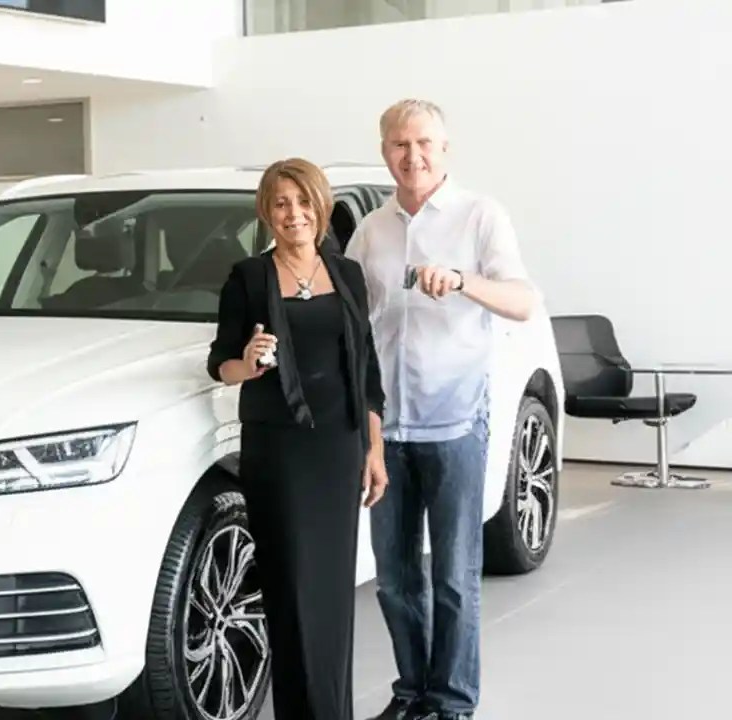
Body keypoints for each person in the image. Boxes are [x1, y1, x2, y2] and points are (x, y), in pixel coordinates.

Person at [346, 99, 537, 720]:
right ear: (385, 152)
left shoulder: (481, 216)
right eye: (400, 145)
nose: (413, 156)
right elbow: (348, 319)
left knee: (454, 578)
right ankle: (412, 693)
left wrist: (461, 280)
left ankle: (452, 703)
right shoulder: (371, 230)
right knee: (397, 581)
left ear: (445, 148)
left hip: (456, 424)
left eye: (424, 143)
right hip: (386, 433)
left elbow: (522, 301)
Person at [206, 157, 389, 720]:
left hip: (338, 447)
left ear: (321, 205)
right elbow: (220, 364)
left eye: (303, 201)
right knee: (290, 589)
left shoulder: (348, 275)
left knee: (333, 593)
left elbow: (366, 371)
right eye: (282, 203)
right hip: (279, 451)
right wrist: (249, 361)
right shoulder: (247, 277)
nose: (294, 214)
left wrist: (374, 448)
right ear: (267, 211)